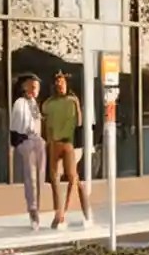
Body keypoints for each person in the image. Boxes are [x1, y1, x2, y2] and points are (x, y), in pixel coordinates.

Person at [42, 70, 91, 229]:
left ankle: (86, 213)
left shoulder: (72, 101)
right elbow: (46, 125)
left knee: (73, 177)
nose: (60, 86)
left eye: (62, 83)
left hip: (69, 143)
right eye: (57, 83)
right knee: (55, 179)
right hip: (54, 143)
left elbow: (79, 123)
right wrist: (49, 142)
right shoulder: (48, 104)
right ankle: (59, 214)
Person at [10, 74, 45, 230]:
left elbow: (38, 123)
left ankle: (37, 206)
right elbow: (15, 125)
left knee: (40, 176)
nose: (35, 90)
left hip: (38, 140)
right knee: (30, 176)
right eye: (32, 86)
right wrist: (17, 143)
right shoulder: (20, 103)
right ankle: (32, 209)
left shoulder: (34, 104)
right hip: (26, 140)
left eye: (37, 87)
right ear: (25, 87)